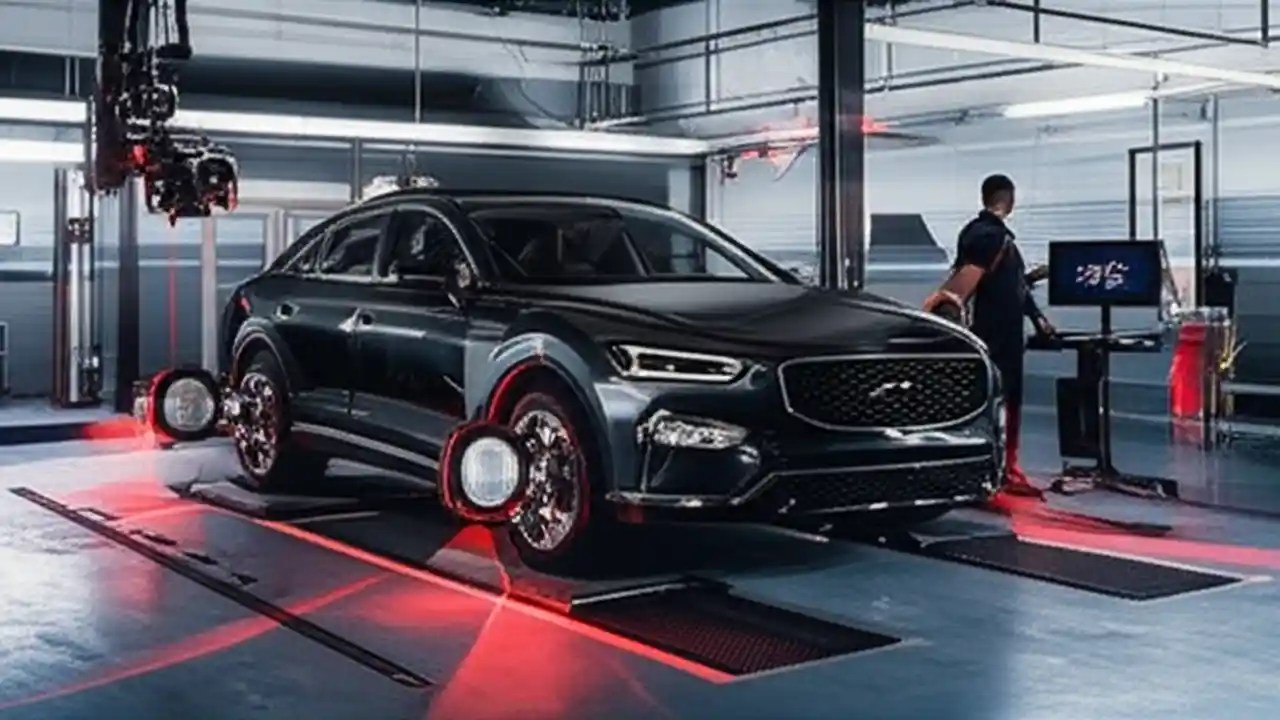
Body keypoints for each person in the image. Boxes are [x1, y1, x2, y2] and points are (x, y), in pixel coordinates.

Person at [947, 174, 1054, 498]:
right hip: (1000, 336)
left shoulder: (974, 233)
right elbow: (982, 286)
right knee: (1007, 400)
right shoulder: (993, 238)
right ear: (1009, 200)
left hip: (982, 334)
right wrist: (1035, 317)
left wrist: (1036, 315)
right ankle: (1006, 468)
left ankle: (989, 466)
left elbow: (1008, 284)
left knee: (985, 400)